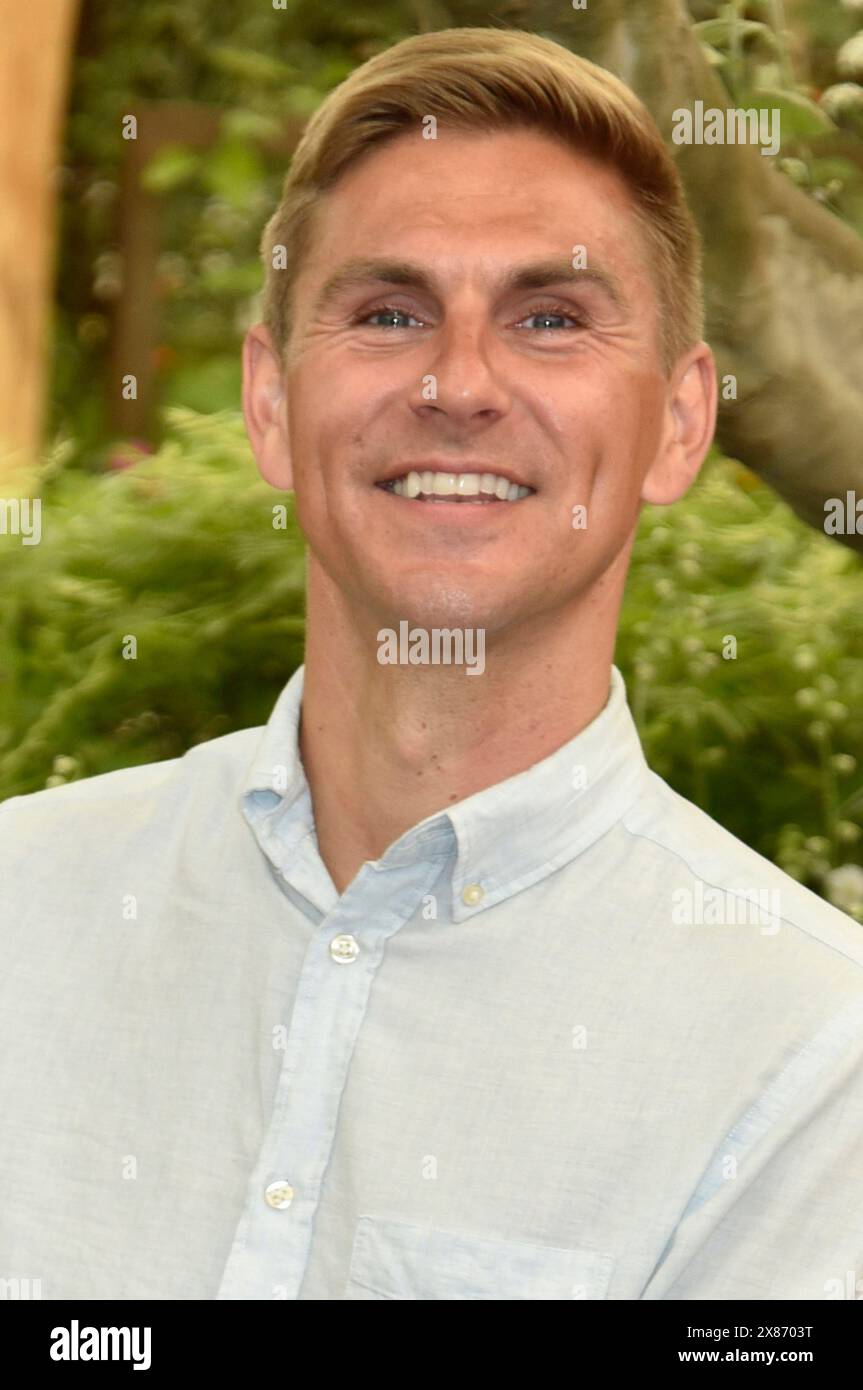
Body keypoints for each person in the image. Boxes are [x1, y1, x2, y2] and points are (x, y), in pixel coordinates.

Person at [2, 26, 862, 1303]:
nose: (458, 382)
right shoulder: (24, 909)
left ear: (679, 425)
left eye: (551, 316)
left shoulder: (808, 1053)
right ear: (271, 407)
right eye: (389, 311)